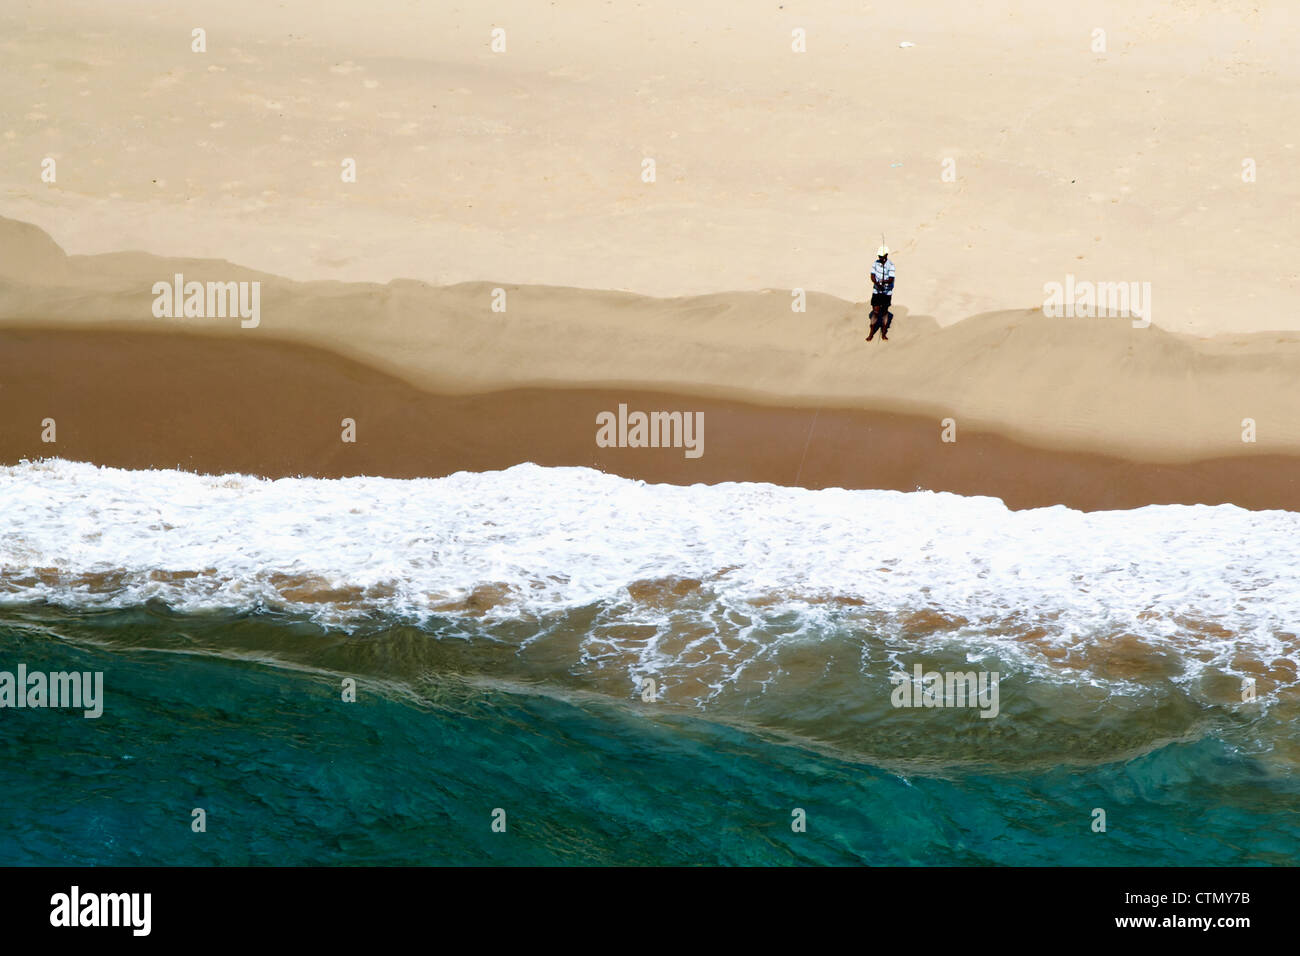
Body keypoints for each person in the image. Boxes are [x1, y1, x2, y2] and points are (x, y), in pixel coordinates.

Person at [865, 245, 895, 341]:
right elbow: (872, 276)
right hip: (877, 290)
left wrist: (884, 282)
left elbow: (891, 279)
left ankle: (884, 333)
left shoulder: (891, 265)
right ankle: (871, 333)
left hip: (886, 292)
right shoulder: (875, 263)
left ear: (886, 255)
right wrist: (877, 283)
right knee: (875, 311)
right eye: (879, 256)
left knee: (885, 312)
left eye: (881, 256)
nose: (880, 258)